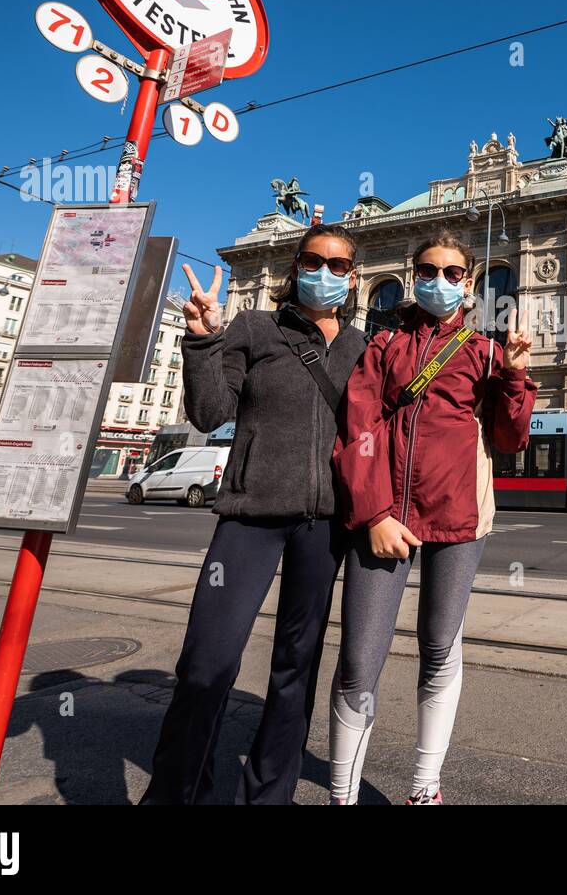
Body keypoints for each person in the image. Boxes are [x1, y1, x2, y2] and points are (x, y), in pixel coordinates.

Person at [140, 224, 367, 805]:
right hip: (250, 516)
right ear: (295, 267)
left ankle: (269, 796)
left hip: (324, 525)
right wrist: (200, 342)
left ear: (353, 275)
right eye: (314, 261)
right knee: (206, 663)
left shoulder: (361, 347)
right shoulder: (255, 327)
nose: (326, 272)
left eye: (339, 265)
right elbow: (210, 410)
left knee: (297, 669)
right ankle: (175, 794)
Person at [329, 232, 535, 805]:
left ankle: (425, 787)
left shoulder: (488, 352)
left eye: (451, 273)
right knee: (358, 660)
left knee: (440, 646)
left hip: (460, 516)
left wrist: (516, 377)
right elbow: (357, 432)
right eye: (427, 271)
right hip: (385, 518)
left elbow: (509, 439)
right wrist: (372, 512)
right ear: (413, 276)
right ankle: (342, 795)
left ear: (467, 284)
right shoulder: (384, 347)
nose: (438, 282)